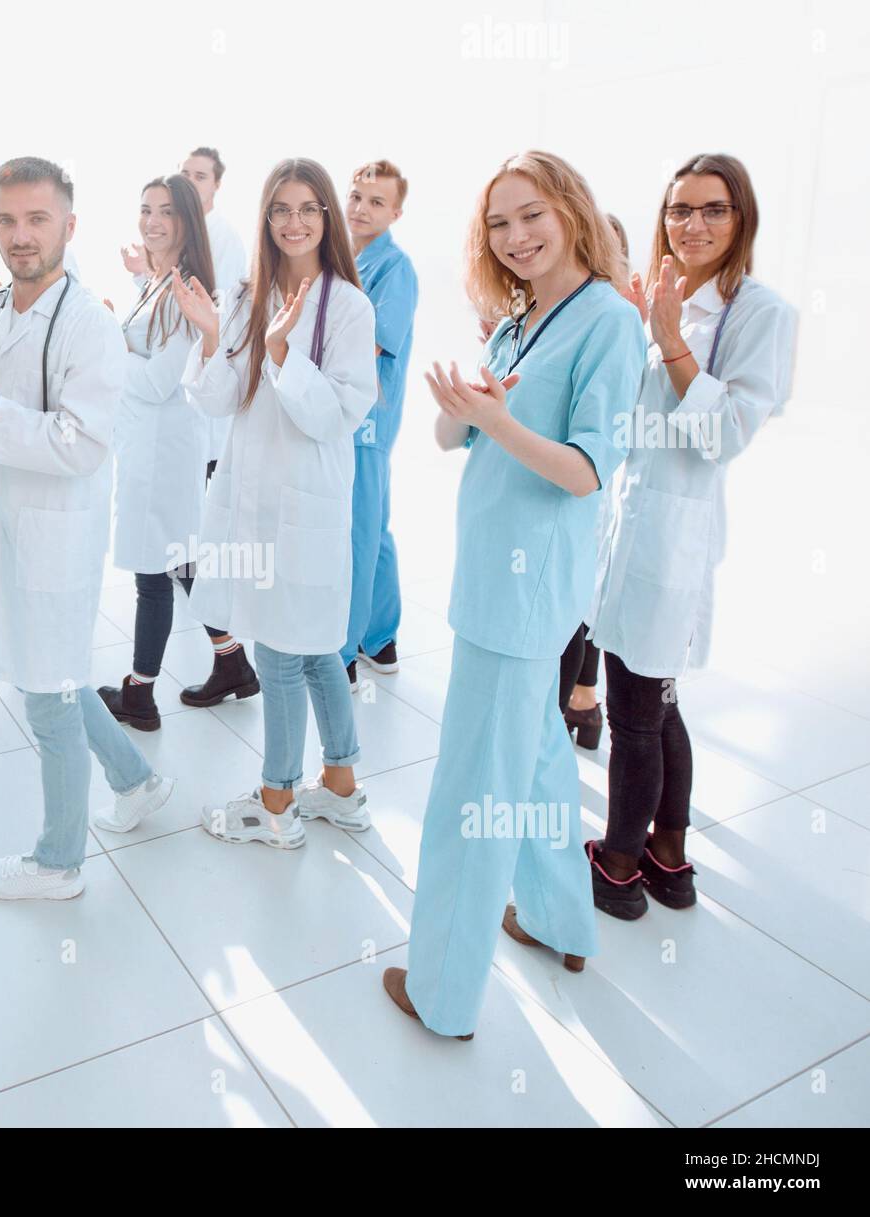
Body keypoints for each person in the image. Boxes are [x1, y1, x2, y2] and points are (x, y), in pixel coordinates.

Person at [382, 151, 644, 1038]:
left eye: (530, 215)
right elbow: (456, 436)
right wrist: (466, 409)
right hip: (497, 581)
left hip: (523, 597)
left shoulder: (606, 321)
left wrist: (495, 419)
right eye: (499, 223)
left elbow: (586, 469)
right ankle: (561, 919)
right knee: (531, 761)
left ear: (571, 208)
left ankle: (442, 993)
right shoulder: (522, 316)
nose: (516, 236)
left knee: (471, 791)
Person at [0, 157, 175, 893]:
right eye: (6, 219)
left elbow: (82, 442)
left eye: (37, 219)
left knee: (49, 694)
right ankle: (135, 781)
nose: (19, 235)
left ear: (69, 224)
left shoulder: (90, 326)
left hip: (55, 532)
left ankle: (59, 863)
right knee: (54, 677)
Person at [585, 154, 797, 919]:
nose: (693, 225)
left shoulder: (761, 312)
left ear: (742, 219)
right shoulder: (662, 296)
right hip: (630, 523)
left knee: (634, 711)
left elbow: (727, 432)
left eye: (713, 210)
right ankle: (668, 858)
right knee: (659, 700)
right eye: (679, 210)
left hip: (672, 539)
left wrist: (670, 341)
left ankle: (616, 869)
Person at [172, 157, 377, 848]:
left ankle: (278, 800)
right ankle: (342, 786)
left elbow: (338, 412)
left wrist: (285, 353)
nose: (294, 222)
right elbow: (219, 397)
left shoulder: (348, 305)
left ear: (327, 219)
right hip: (248, 498)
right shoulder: (243, 294)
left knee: (286, 652)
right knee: (313, 646)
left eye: (308, 209)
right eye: (281, 210)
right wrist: (208, 335)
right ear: (266, 220)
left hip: (306, 498)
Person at [98, 175, 218, 732]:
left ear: (187, 220)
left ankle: (140, 696)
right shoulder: (157, 282)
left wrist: (109, 342)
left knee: (154, 570)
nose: (151, 221)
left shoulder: (185, 291)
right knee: (179, 558)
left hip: (162, 449)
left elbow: (156, 382)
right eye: (145, 209)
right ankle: (235, 659)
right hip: (149, 444)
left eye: (165, 211)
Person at [341, 160, 419, 690]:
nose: (363, 209)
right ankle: (380, 638)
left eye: (376, 202)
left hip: (366, 417)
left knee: (358, 532)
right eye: (357, 196)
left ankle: (342, 653)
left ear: (396, 211)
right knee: (375, 524)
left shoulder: (395, 267)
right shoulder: (347, 260)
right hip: (350, 414)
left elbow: (368, 346)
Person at [558, 212, 633, 747]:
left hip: (593, 477)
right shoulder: (611, 309)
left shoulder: (612, 315)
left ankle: (574, 706)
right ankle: (585, 701)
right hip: (599, 478)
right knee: (587, 597)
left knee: (577, 602)